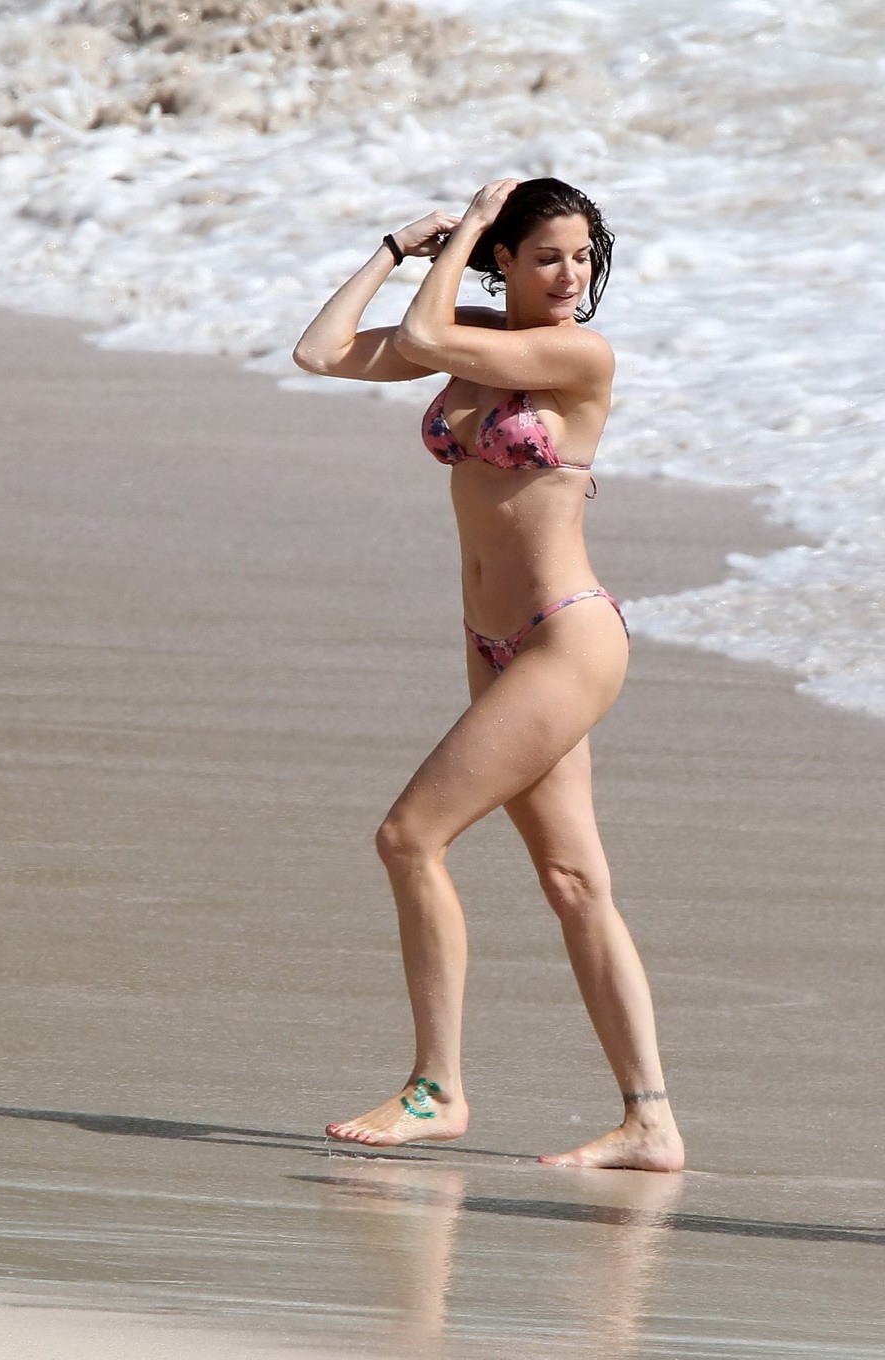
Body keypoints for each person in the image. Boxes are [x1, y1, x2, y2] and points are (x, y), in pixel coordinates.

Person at [291, 177, 682, 1170]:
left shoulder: (576, 354)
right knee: (573, 881)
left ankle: (437, 1088)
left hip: (565, 636)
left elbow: (427, 332)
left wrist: (462, 232)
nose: (570, 276)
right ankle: (650, 1121)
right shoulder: (466, 334)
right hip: (492, 642)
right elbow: (321, 350)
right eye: (548, 255)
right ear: (508, 263)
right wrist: (392, 244)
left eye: (584, 257)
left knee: (408, 837)